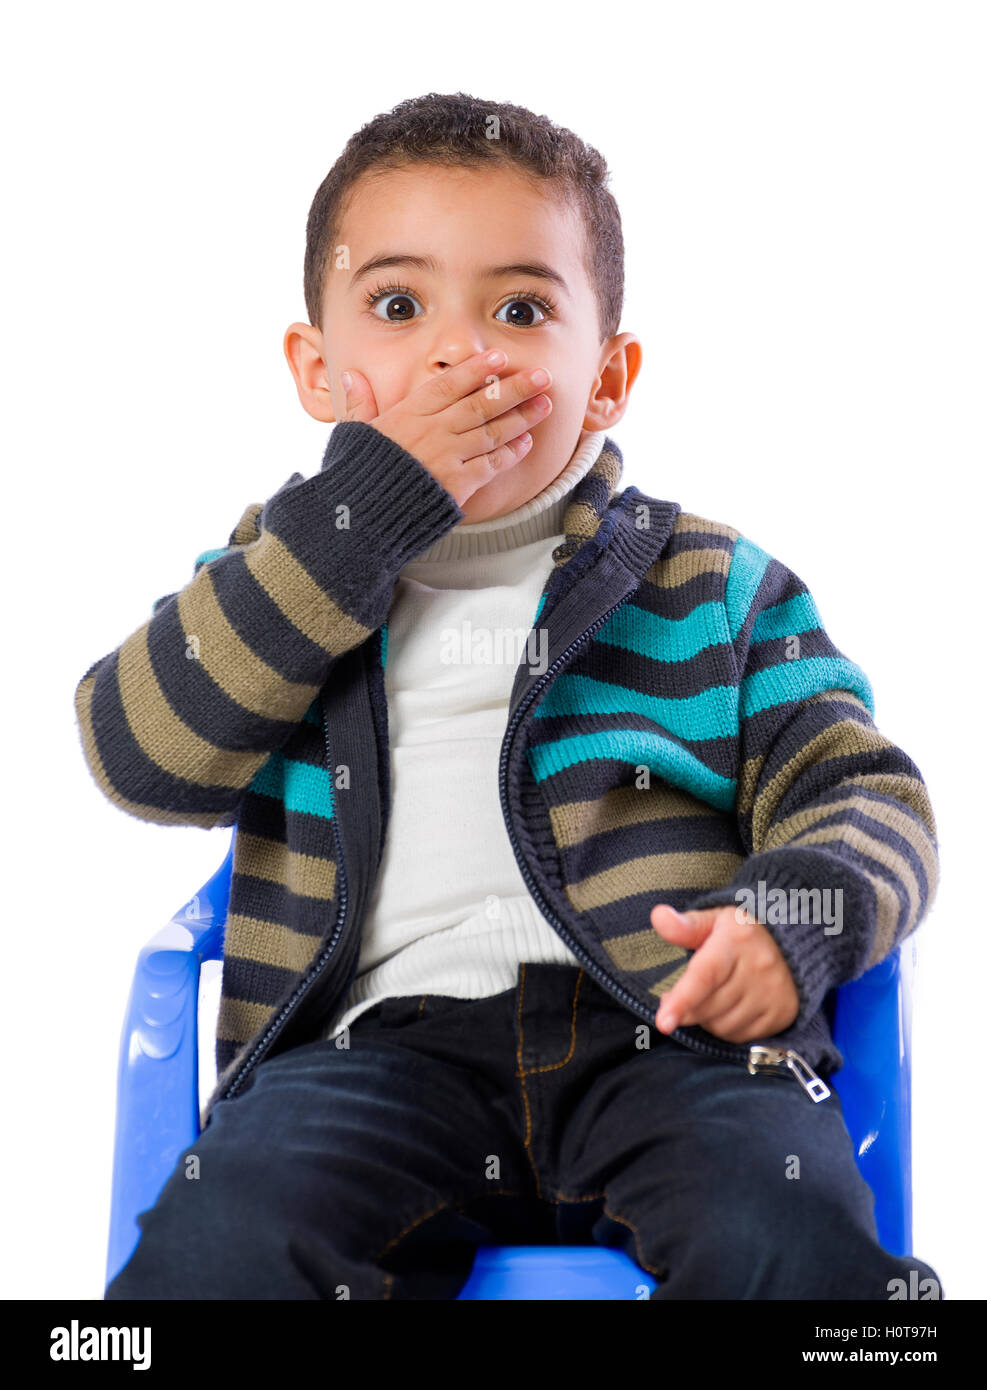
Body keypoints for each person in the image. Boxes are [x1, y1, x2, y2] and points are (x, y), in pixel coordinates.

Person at [78, 91, 943, 1300]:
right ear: (318, 373)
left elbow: (863, 791)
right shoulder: (281, 573)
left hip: (673, 1040)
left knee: (788, 1243)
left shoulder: (707, 580)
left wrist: (789, 922)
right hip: (372, 1057)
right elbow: (140, 750)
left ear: (606, 378)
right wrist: (362, 515)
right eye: (397, 306)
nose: (459, 352)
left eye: (522, 310)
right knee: (221, 1250)